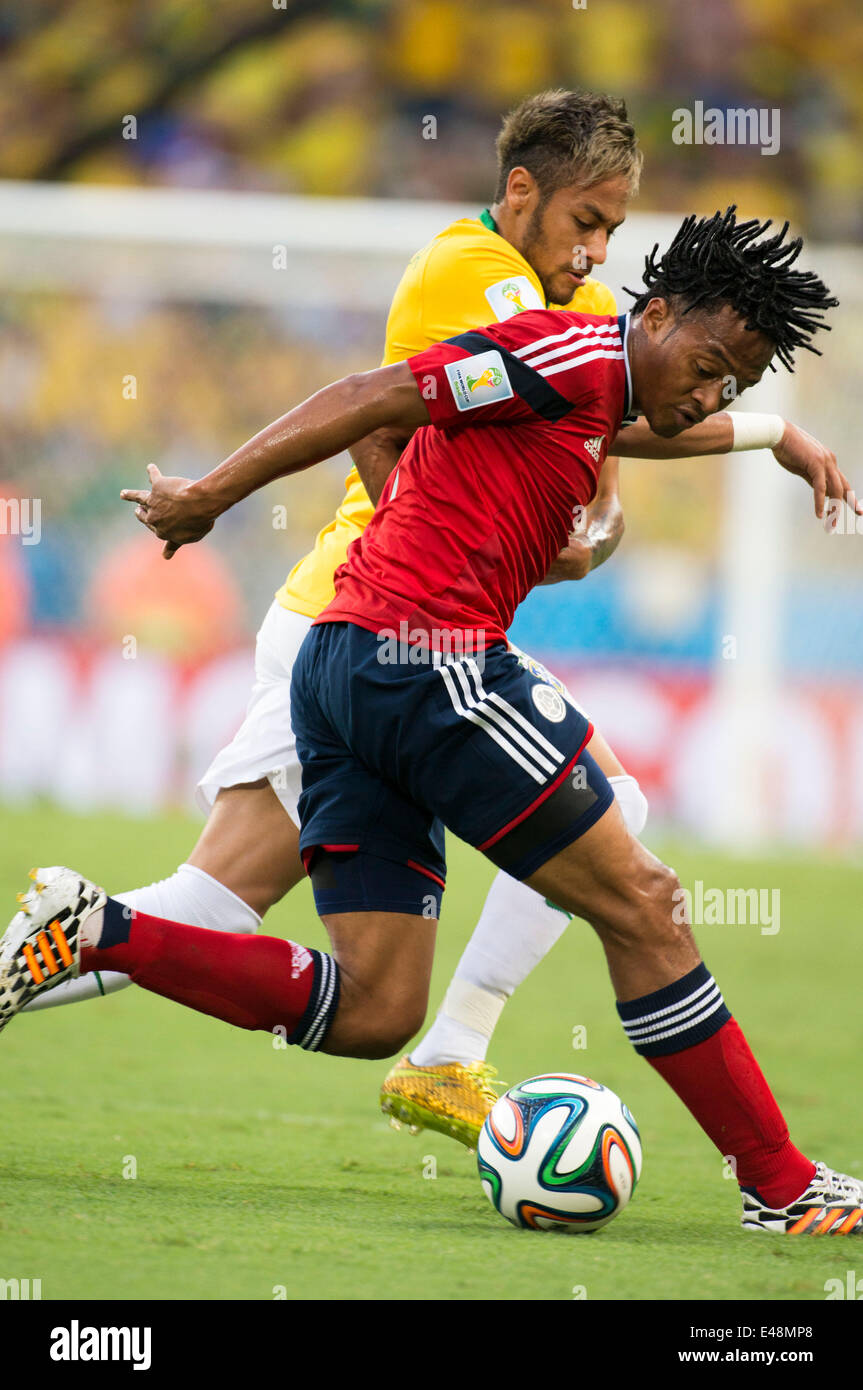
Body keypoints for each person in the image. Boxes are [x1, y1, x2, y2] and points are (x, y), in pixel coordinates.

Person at [18, 92, 850, 1151]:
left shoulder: (567, 328)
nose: (594, 254)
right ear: (520, 194)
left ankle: (104, 937)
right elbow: (406, 398)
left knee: (245, 922)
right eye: (585, 224)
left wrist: (760, 435)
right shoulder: (489, 279)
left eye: (609, 231)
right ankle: (457, 1055)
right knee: (618, 842)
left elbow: (609, 401)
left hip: (367, 626)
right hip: (381, 620)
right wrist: (216, 495)